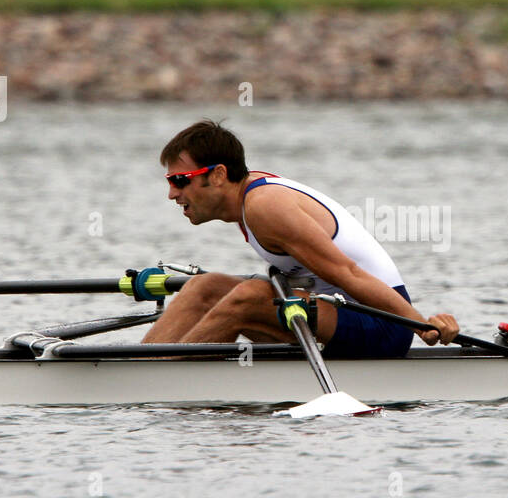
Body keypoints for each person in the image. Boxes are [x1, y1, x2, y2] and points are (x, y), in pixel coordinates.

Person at [142, 120, 459, 356]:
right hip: (335, 314)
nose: (172, 193)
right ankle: (143, 367)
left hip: (384, 324)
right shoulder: (247, 197)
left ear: (219, 175)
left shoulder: (265, 206)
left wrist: (419, 325)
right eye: (170, 181)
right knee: (203, 287)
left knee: (250, 295)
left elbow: (346, 272)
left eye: (180, 180)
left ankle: (162, 378)